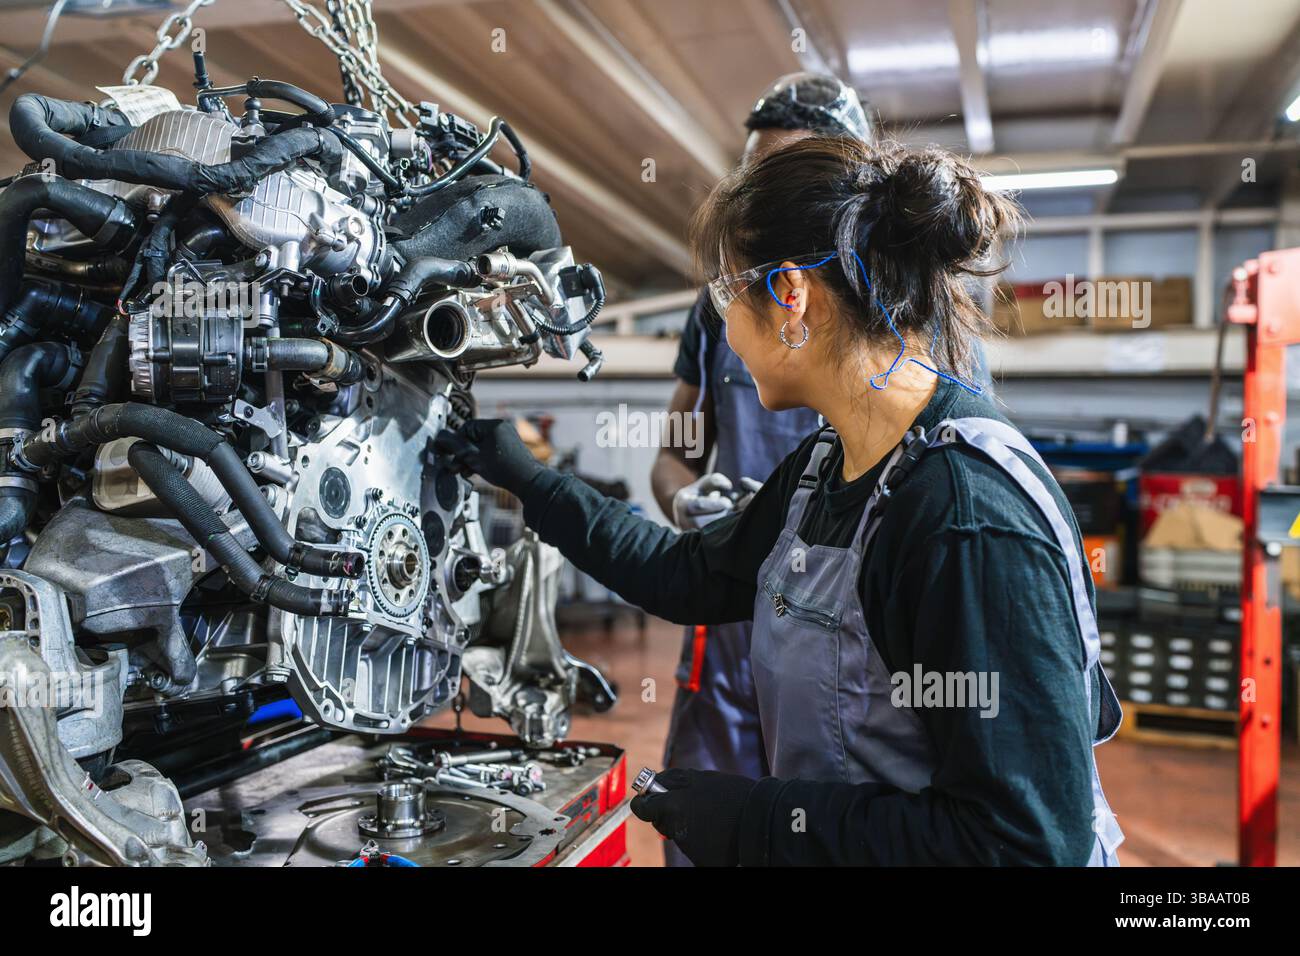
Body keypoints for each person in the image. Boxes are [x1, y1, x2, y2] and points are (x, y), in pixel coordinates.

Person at [436, 136, 1124, 866]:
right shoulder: (830, 461)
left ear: (792, 297)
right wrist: (528, 478)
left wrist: (762, 822)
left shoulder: (965, 519)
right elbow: (689, 575)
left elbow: (1021, 846)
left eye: (729, 295)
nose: (726, 327)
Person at [649, 73, 871, 866]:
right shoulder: (721, 308)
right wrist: (685, 503)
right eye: (752, 177)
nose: (758, 201)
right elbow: (674, 453)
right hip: (734, 619)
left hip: (851, 632)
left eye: (786, 176)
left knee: (829, 827)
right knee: (698, 819)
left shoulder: (895, 311)